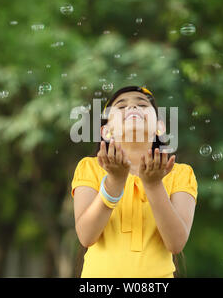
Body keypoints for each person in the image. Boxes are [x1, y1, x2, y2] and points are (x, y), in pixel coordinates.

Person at [71, 85, 198, 277]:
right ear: (106, 132)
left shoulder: (180, 173)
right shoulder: (89, 167)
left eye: (142, 104)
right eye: (121, 107)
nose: (132, 108)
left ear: (159, 127)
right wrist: (114, 182)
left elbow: (176, 243)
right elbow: (86, 236)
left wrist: (154, 185)